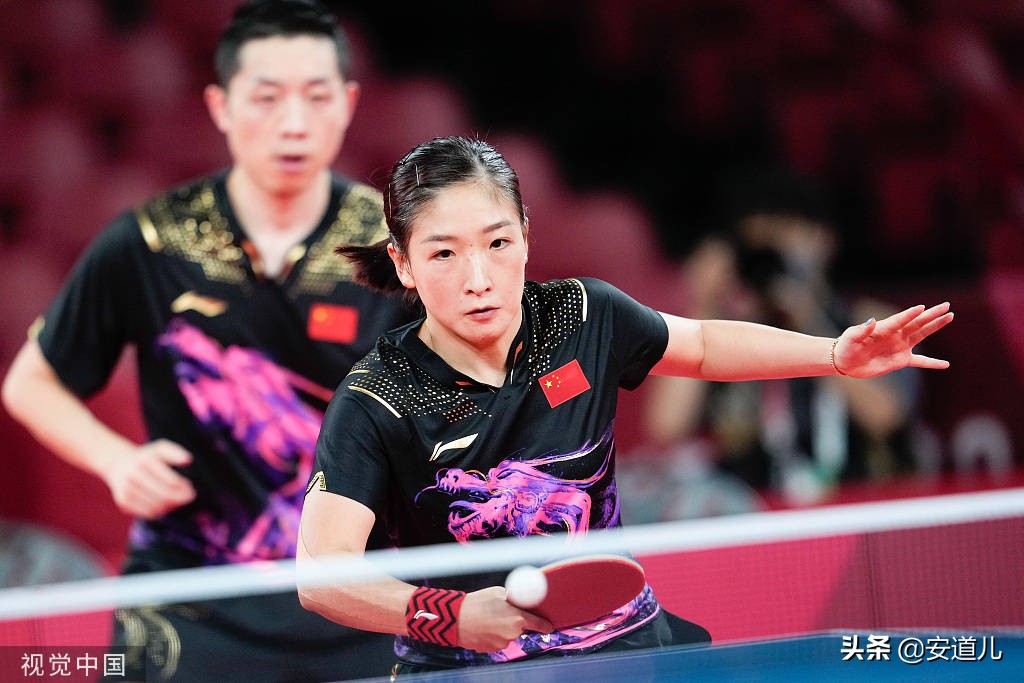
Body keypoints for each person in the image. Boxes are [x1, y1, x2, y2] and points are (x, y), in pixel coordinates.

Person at [296, 136, 954, 673]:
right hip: (467, 668)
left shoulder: (583, 316)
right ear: (403, 263)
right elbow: (323, 576)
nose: (479, 278)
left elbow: (700, 346)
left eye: (498, 243)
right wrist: (455, 614)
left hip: (622, 651)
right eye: (443, 253)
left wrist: (834, 354)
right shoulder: (378, 397)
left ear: (525, 234)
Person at [1, 1, 411, 680]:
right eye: (266, 97)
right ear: (220, 106)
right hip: (191, 603)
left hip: (358, 598)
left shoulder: (401, 249)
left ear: (347, 103)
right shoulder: (149, 241)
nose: (293, 121)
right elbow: (29, 383)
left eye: (316, 96)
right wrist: (114, 461)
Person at [644, 168, 923, 504]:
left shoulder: (869, 321)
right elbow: (666, 426)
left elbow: (887, 417)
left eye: (783, 239)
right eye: (760, 248)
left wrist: (806, 317)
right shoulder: (728, 336)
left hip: (849, 511)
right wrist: (703, 305)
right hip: (752, 517)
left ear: (824, 240)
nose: (773, 259)